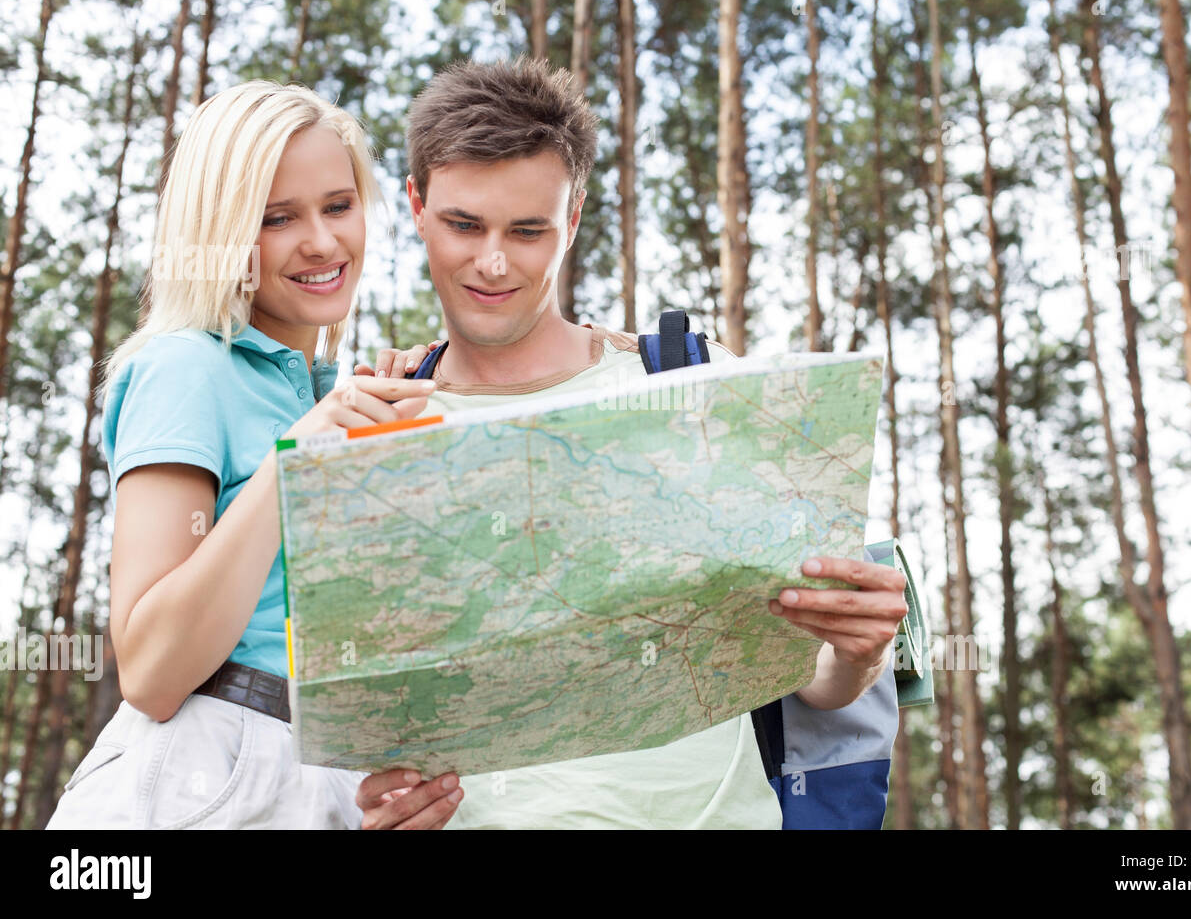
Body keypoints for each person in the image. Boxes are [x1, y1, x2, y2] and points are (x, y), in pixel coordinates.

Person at [361, 56, 909, 828]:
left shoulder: (697, 386)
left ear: (574, 215)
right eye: (463, 224)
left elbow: (808, 681)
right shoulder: (376, 430)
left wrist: (860, 653)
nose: (492, 262)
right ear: (417, 204)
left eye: (528, 230)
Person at [45, 80, 462, 830]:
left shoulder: (331, 394)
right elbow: (150, 671)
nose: (323, 242)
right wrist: (294, 461)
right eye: (277, 218)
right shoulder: (186, 366)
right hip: (202, 772)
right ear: (222, 231)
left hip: (320, 777)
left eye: (338, 205)